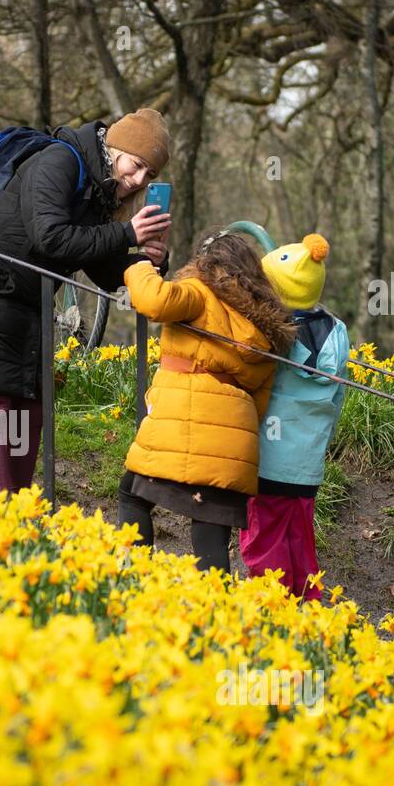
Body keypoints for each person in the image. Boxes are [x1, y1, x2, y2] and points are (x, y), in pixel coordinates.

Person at [0, 109, 174, 491]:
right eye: (136, 165)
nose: (138, 180)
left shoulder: (98, 188)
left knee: (29, 415)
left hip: (23, 311)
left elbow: (100, 266)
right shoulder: (59, 161)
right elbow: (49, 237)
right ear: (115, 147)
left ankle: (16, 524)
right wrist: (126, 233)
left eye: (150, 175)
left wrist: (148, 263)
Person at [116, 229, 297, 572]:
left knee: (132, 495)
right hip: (234, 444)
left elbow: (154, 301)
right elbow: (260, 400)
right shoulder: (268, 325)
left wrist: (139, 264)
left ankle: (131, 580)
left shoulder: (200, 293)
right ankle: (215, 615)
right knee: (210, 529)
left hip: (181, 424)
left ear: (206, 263)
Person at [239, 233, 351, 599]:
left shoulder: (271, 329)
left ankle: (275, 615)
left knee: (262, 542)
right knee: (299, 542)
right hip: (307, 464)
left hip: (267, 463)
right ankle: (310, 612)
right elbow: (337, 397)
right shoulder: (338, 331)